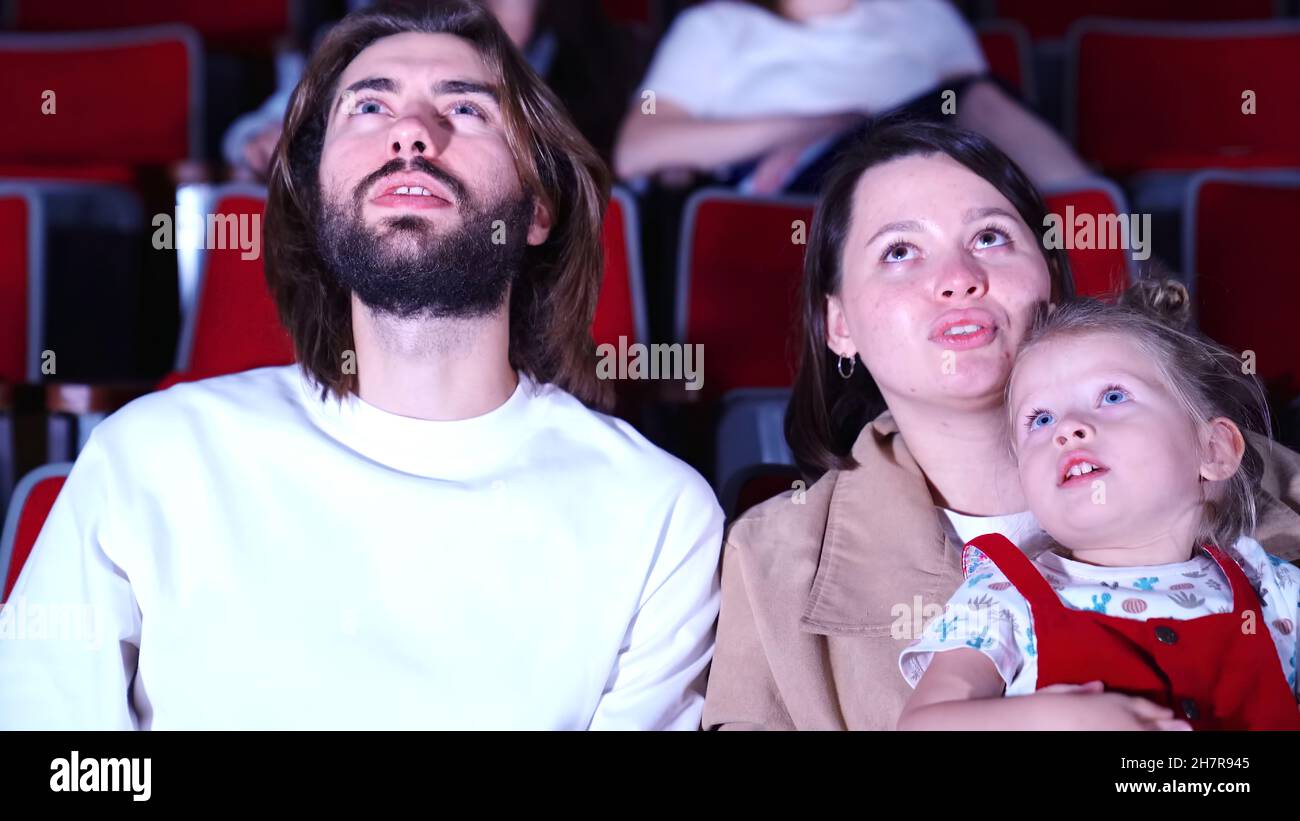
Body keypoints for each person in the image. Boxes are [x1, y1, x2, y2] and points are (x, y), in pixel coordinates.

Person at [0, 0, 723, 730]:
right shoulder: (152, 455)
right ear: (314, 198)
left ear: (537, 208)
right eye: (370, 106)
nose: (411, 131)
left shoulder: (657, 518)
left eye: (467, 111)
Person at [700, 119, 1300, 730]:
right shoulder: (769, 561)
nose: (958, 277)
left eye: (990, 238)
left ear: (1051, 278)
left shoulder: (1266, 476)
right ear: (838, 324)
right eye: (899, 251)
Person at [897, 281, 1300, 730]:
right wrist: (1053, 718)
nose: (1067, 428)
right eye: (1040, 419)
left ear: (1213, 450)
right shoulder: (1002, 598)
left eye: (1112, 396)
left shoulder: (1270, 585)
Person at [613, 0, 1090, 194]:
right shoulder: (715, 26)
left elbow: (993, 124)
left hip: (937, 169)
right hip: (803, 190)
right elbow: (638, 150)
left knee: (980, 105)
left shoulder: (924, 13)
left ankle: (1135, 276)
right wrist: (815, 127)